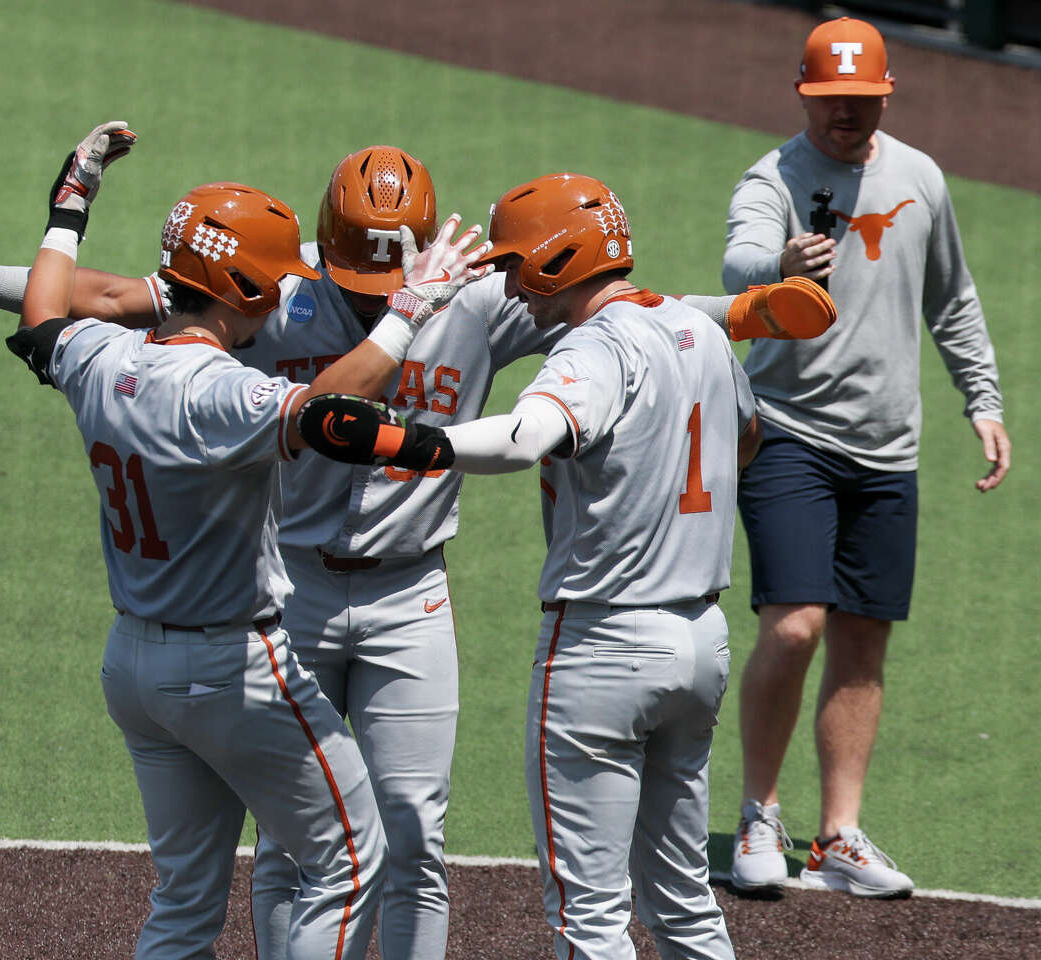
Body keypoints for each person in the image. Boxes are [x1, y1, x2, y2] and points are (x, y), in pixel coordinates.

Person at [0, 144, 831, 960]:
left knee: (415, 832)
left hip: (408, 594)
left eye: (398, 278)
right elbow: (116, 299)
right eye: (361, 277)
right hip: (284, 589)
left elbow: (611, 309)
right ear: (318, 255)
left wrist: (741, 310)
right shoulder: (275, 283)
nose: (384, 292)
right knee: (297, 844)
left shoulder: (473, 292)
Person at [0, 121, 491, 959]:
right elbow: (332, 413)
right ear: (236, 291)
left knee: (185, 899)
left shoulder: (97, 359)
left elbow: (45, 311)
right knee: (354, 856)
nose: (280, 296)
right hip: (233, 669)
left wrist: (71, 200)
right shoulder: (224, 393)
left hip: (132, 665)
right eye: (271, 282)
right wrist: (410, 323)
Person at [300, 172, 759, 960]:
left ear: (555, 259)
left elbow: (522, 437)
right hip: (702, 642)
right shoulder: (699, 331)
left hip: (605, 648)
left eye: (515, 263)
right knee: (684, 898)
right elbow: (745, 439)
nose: (508, 283)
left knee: (590, 915)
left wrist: (406, 442)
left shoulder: (595, 346)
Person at [721, 16, 1011, 899]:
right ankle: (758, 814)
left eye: (859, 100)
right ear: (804, 95)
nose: (844, 115)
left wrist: (985, 399)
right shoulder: (772, 177)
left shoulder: (919, 178)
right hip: (788, 434)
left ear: (885, 94)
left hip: (889, 450)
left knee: (862, 636)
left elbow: (952, 299)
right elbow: (737, 264)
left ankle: (839, 834)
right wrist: (778, 261)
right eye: (828, 101)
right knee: (797, 622)